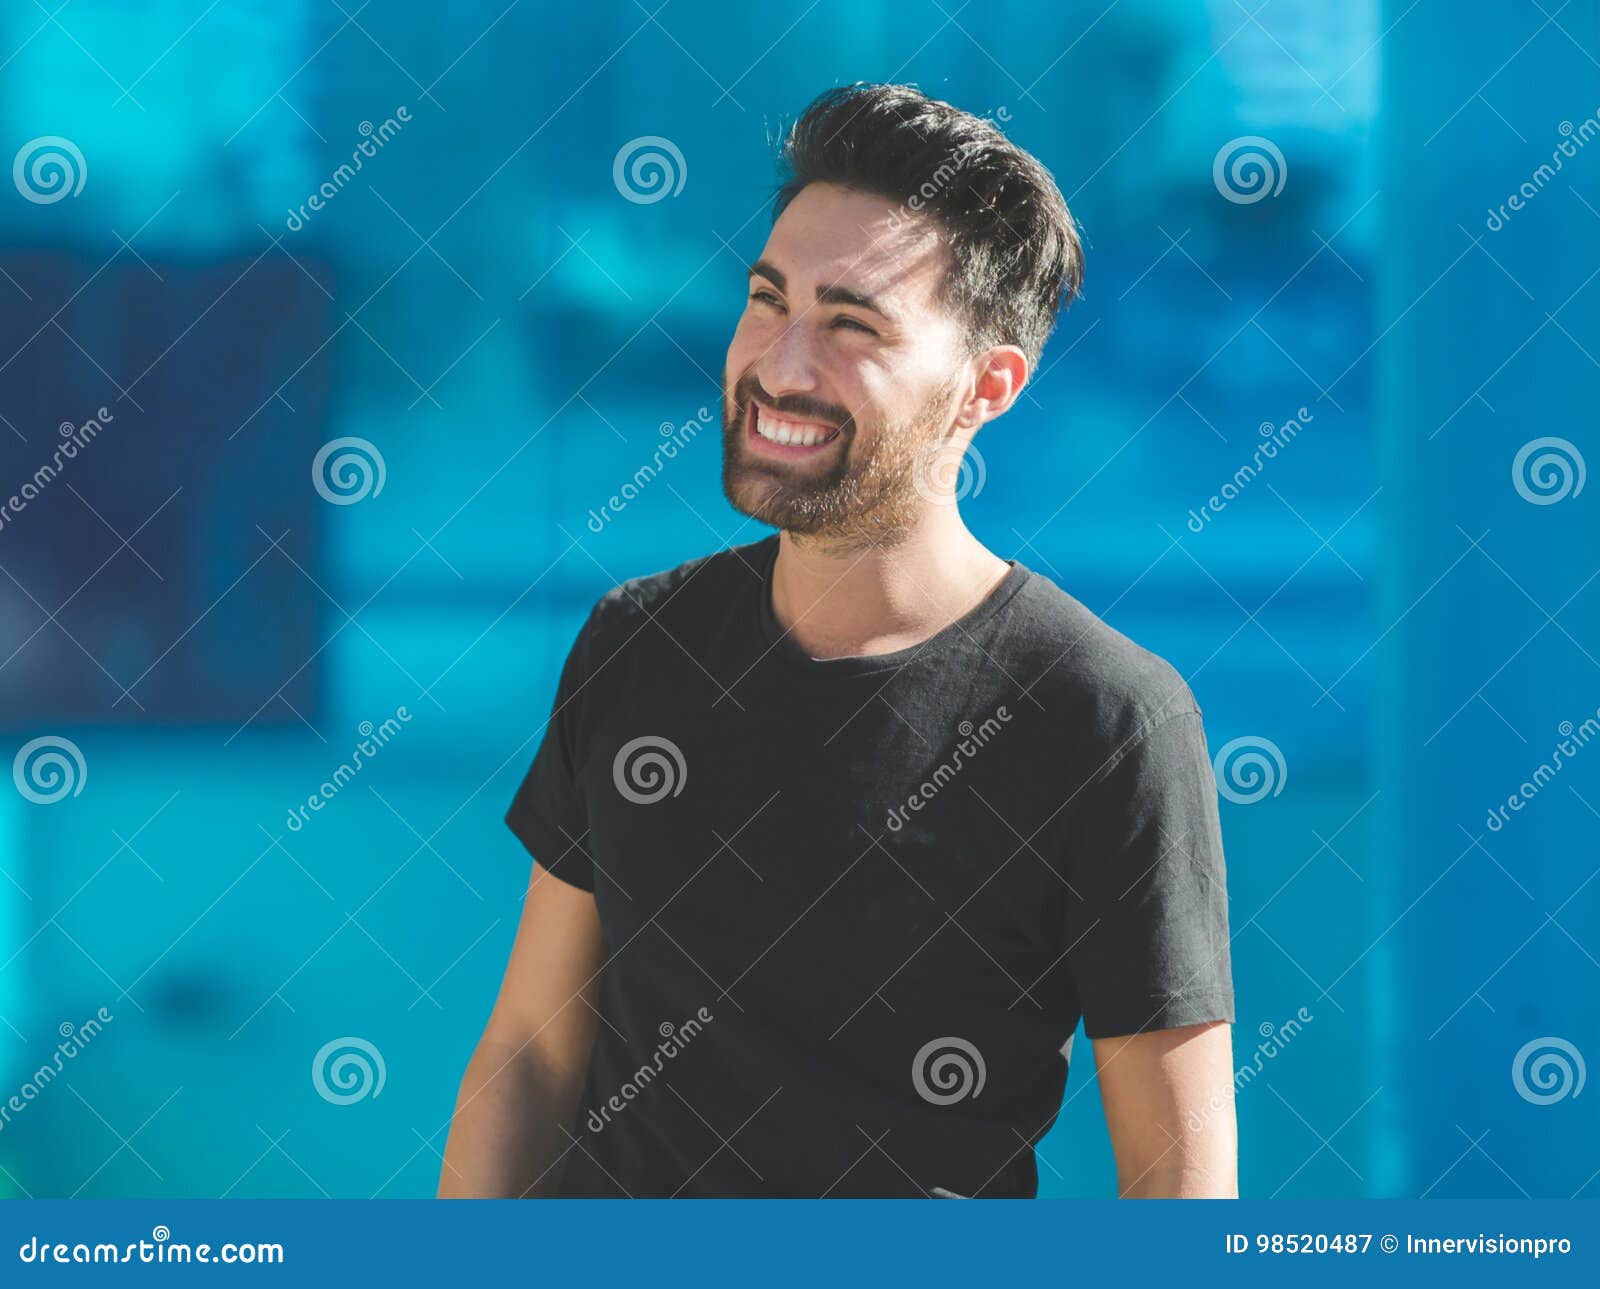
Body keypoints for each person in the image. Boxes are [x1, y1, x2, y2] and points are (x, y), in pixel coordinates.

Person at [440, 82, 1237, 1199]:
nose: (780, 363)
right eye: (768, 300)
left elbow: (1178, 1188)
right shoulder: (638, 642)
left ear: (985, 387)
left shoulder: (1104, 718)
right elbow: (531, 1052)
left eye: (852, 323)